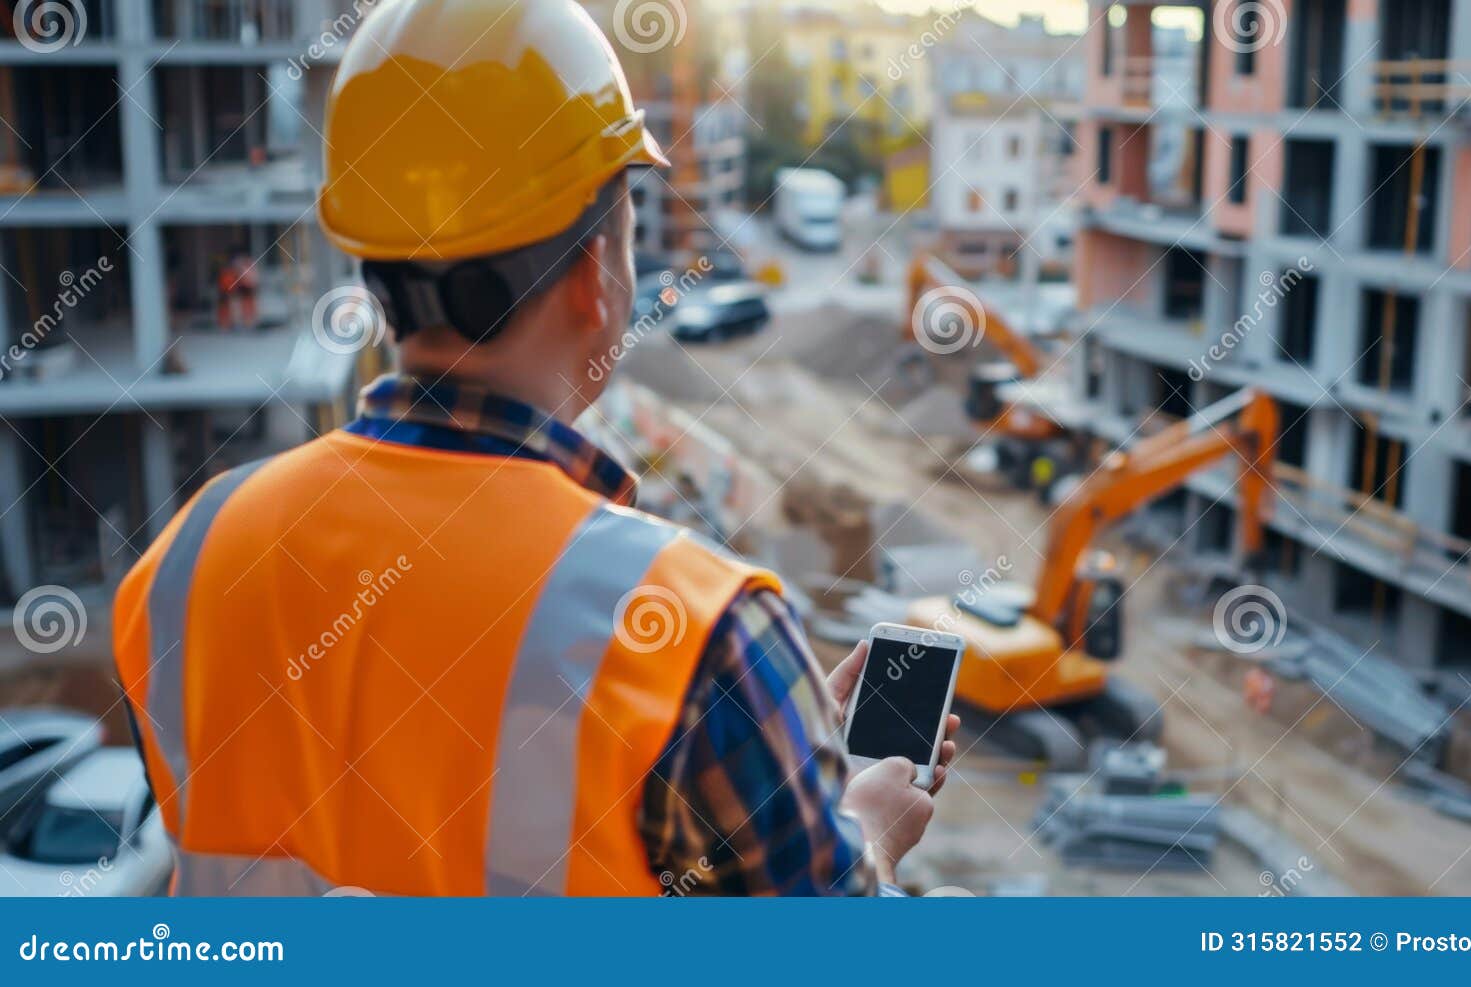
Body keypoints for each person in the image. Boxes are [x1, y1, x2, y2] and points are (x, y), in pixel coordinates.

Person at [112, 0, 955, 896]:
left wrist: (768, 752)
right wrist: (862, 826)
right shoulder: (695, 630)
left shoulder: (190, 556)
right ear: (598, 272)